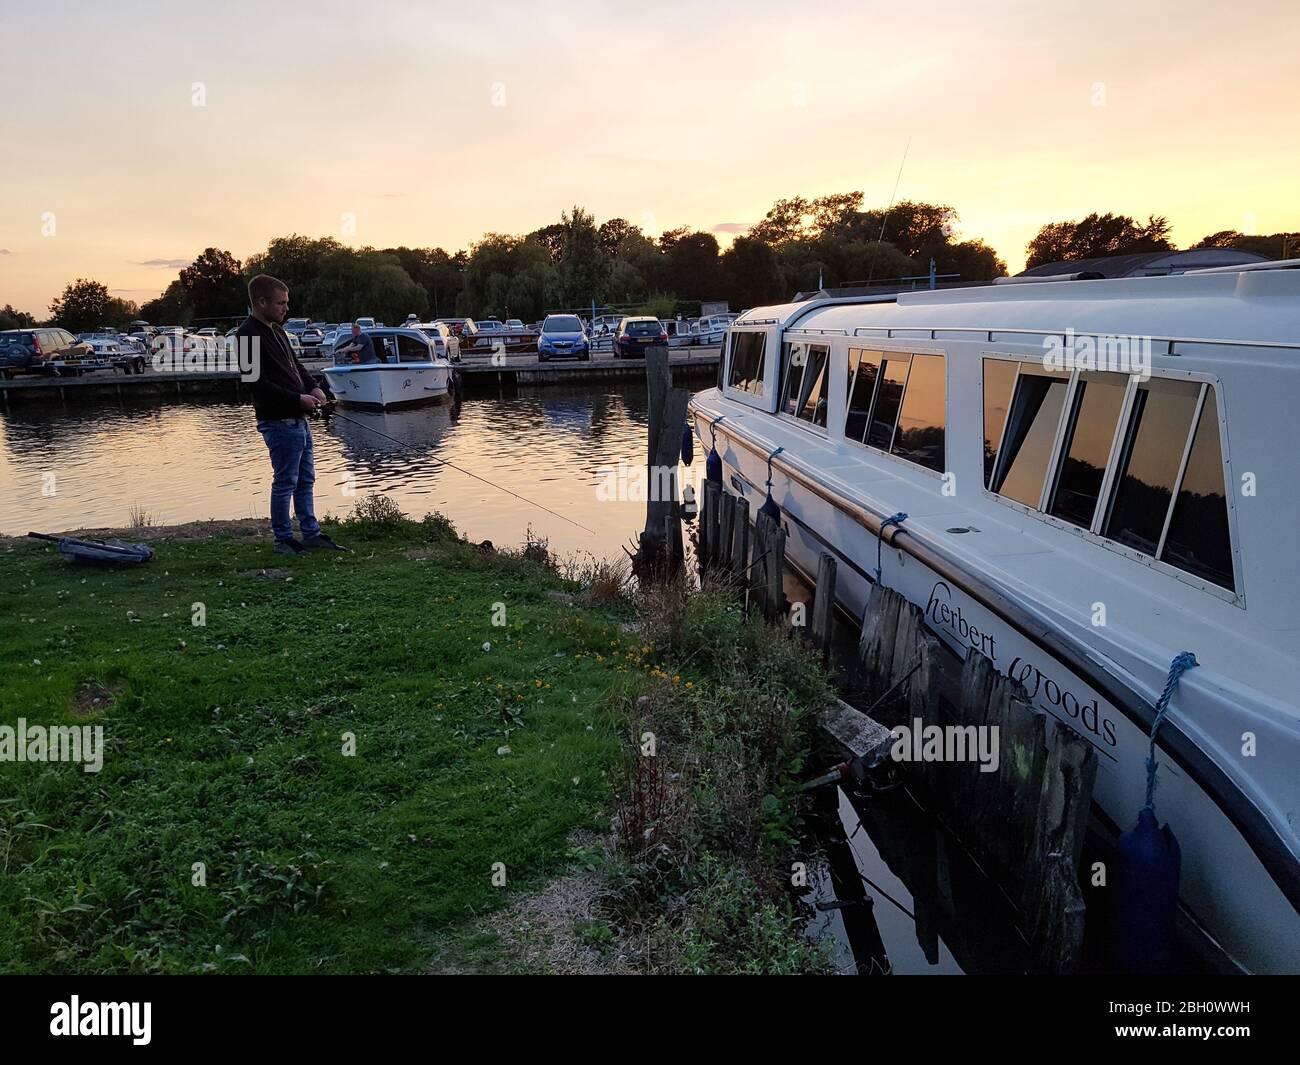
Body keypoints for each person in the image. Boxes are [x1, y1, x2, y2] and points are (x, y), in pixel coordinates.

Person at [238, 275, 346, 556]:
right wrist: (297, 398)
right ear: (261, 302)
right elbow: (254, 384)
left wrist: (313, 387)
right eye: (280, 303)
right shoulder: (246, 334)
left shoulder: (277, 330)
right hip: (277, 420)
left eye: (286, 303)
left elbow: (295, 365)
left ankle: (311, 534)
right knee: (285, 481)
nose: (286, 308)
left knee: (306, 478)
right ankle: (283, 540)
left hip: (298, 418)